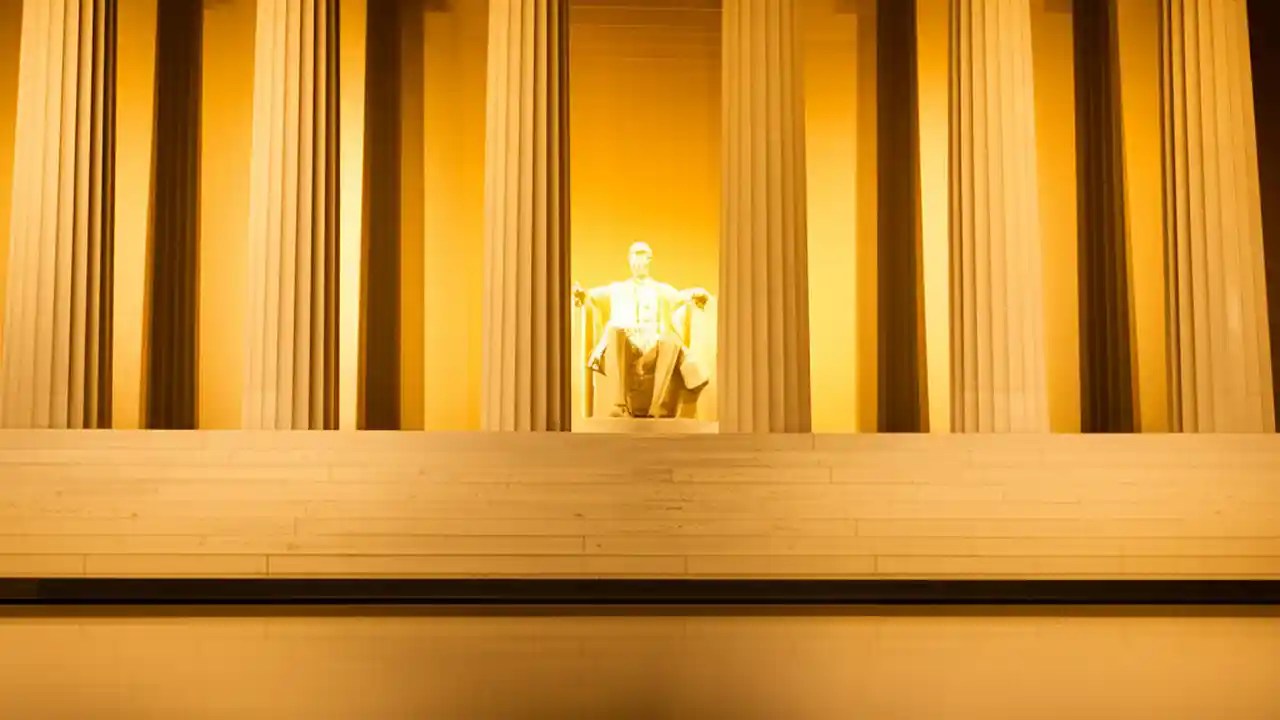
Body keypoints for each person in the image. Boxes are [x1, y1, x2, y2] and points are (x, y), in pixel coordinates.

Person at [572, 242, 710, 417]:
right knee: (615, 329)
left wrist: (696, 293)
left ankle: (657, 407)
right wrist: (580, 294)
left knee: (671, 340)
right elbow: (591, 294)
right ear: (629, 261)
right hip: (627, 346)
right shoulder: (617, 288)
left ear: (649, 260)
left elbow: (681, 296)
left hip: (654, 348)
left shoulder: (661, 289)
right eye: (634, 258)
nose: (638, 263)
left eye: (642, 258)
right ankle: (619, 404)